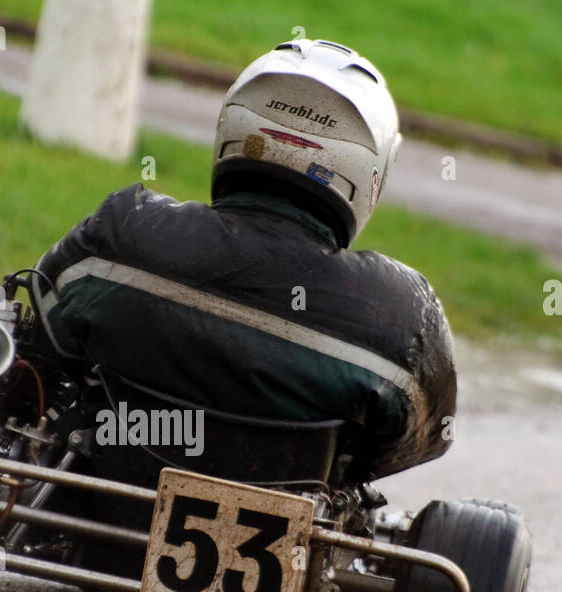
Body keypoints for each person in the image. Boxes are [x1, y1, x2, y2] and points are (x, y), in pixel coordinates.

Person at [30, 38, 456, 483]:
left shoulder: (126, 229)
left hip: (94, 505)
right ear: (370, 173)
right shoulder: (400, 315)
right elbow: (417, 441)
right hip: (299, 518)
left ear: (233, 126)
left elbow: (44, 340)